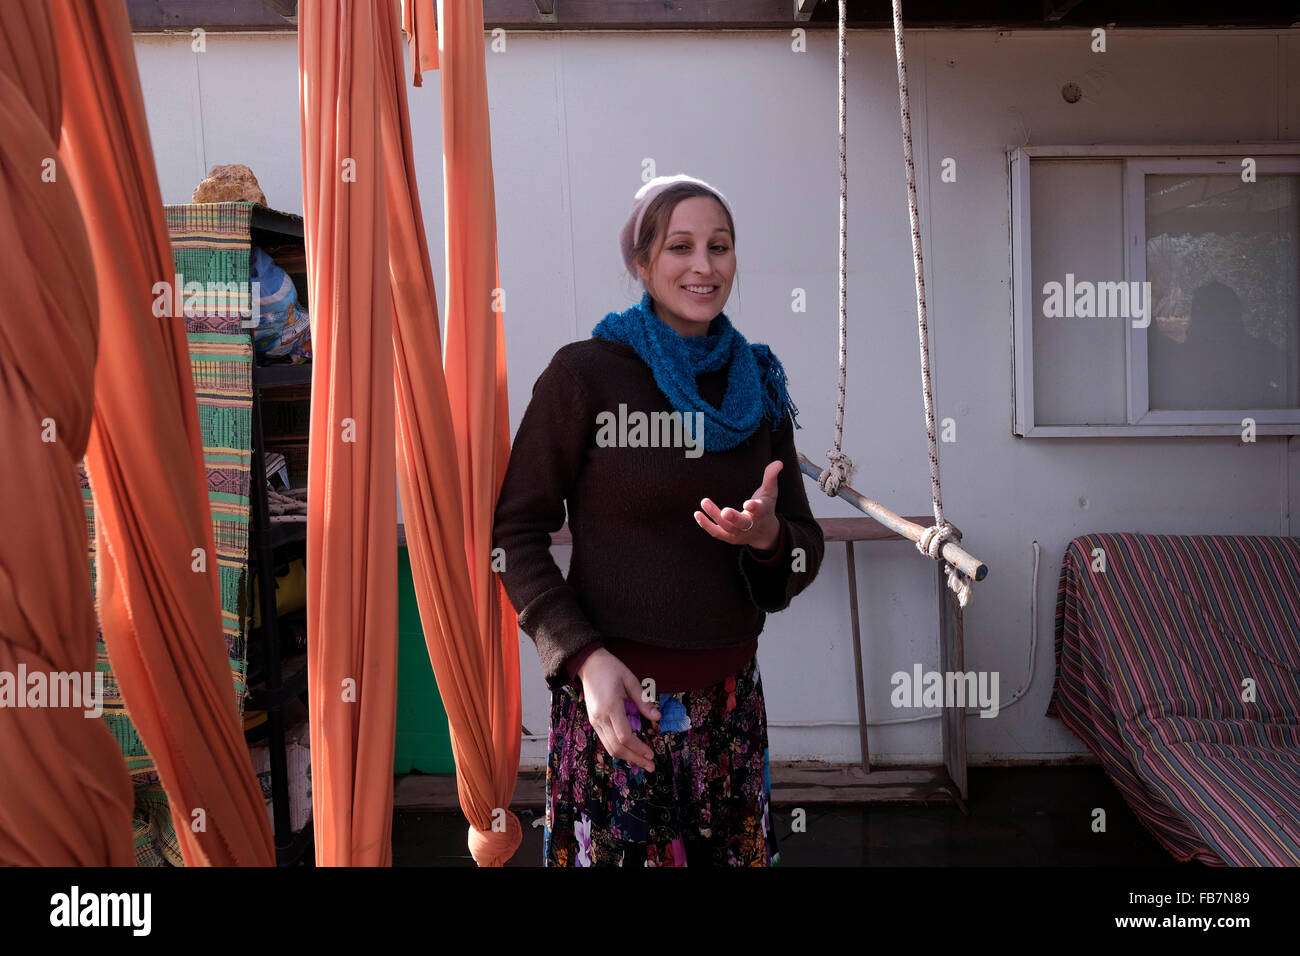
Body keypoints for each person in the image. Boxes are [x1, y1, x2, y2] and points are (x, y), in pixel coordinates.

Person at [492, 173, 825, 867]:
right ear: (642, 263)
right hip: (618, 712)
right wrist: (581, 656)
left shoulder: (757, 383)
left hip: (730, 714)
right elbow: (514, 533)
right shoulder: (585, 376)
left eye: (720, 246)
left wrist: (768, 539)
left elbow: (803, 549)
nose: (704, 266)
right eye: (680, 247)